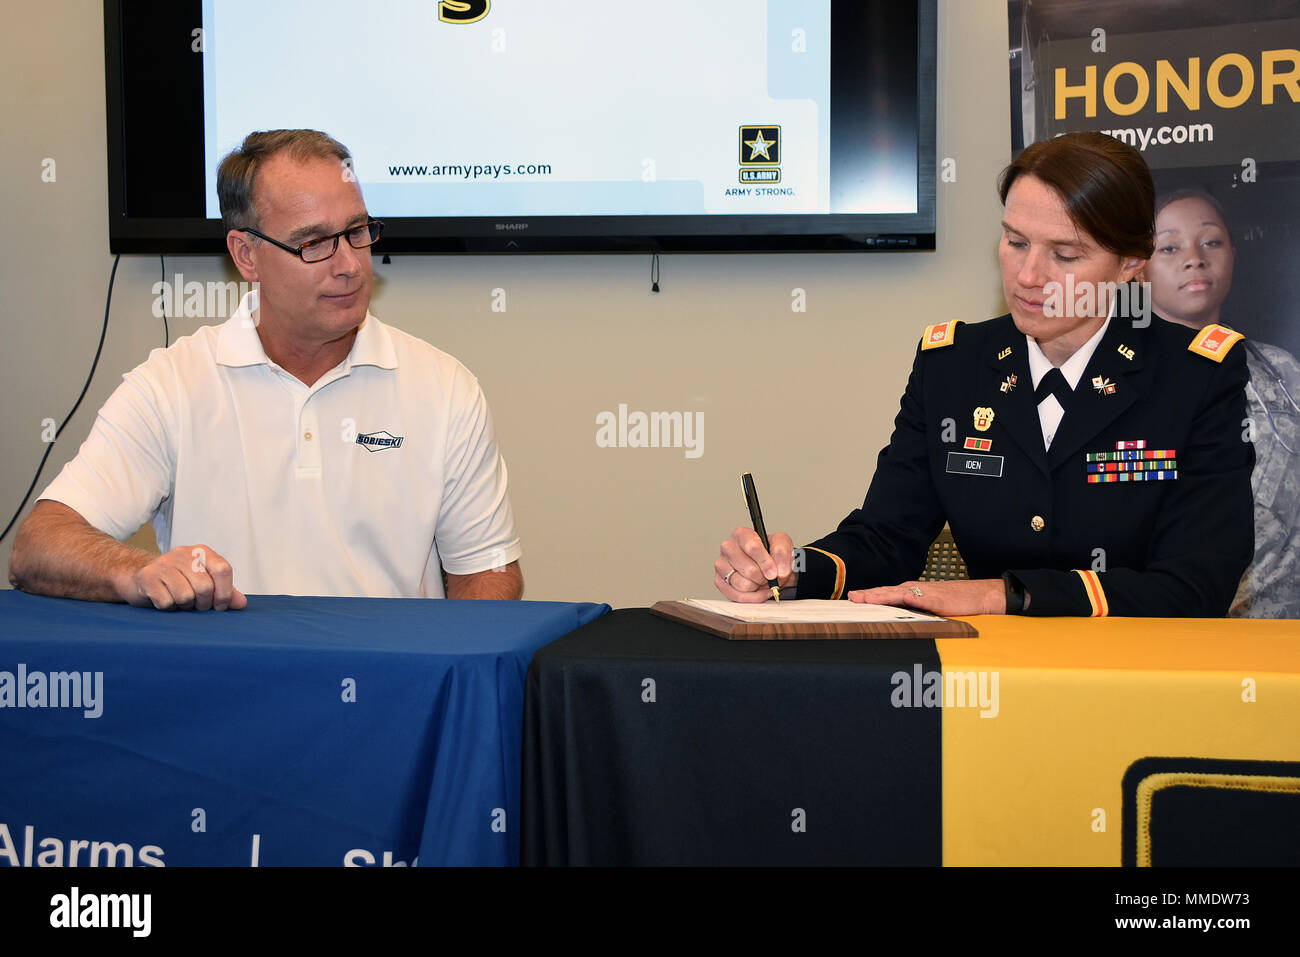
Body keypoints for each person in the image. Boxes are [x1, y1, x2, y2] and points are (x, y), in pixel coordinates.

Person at [714, 131, 1254, 617]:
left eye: (1064, 255)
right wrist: (792, 568)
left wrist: (1008, 594)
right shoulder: (952, 365)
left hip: (1141, 684)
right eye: (1015, 241)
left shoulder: (1197, 374)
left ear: (1131, 265)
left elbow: (1195, 583)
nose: (1027, 275)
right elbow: (888, 535)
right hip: (991, 684)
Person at [8, 129, 523, 610]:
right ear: (246, 255)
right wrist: (138, 572)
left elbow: (488, 572)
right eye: (314, 242)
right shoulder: (172, 385)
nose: (349, 264)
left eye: (357, 231)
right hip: (232, 690)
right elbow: (36, 545)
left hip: (391, 693)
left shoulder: (444, 389)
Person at [1145, 189, 1300, 618]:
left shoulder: (1282, 372)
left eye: (1210, 242)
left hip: (1282, 635)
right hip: (1172, 631)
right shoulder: (1120, 382)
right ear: (1138, 269)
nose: (1194, 258)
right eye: (1170, 247)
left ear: (1233, 251)